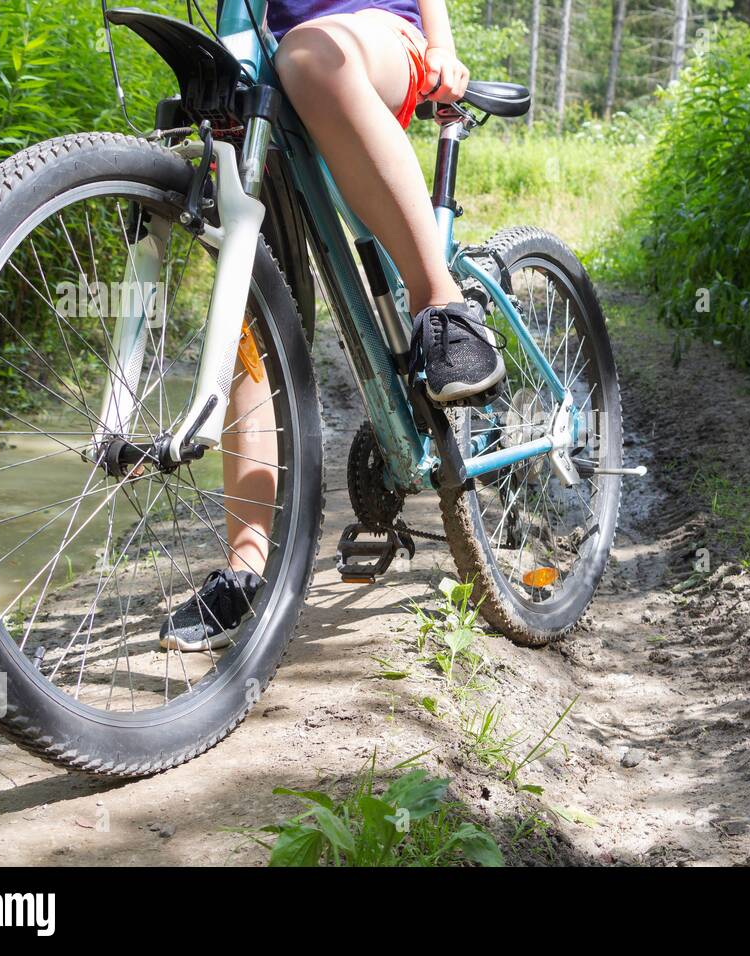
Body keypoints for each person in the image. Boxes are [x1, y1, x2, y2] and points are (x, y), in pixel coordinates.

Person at [160, 0, 500, 651]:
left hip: (371, 33)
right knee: (248, 318)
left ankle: (441, 300)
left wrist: (442, 41)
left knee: (312, 56)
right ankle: (244, 569)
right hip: (263, 57)